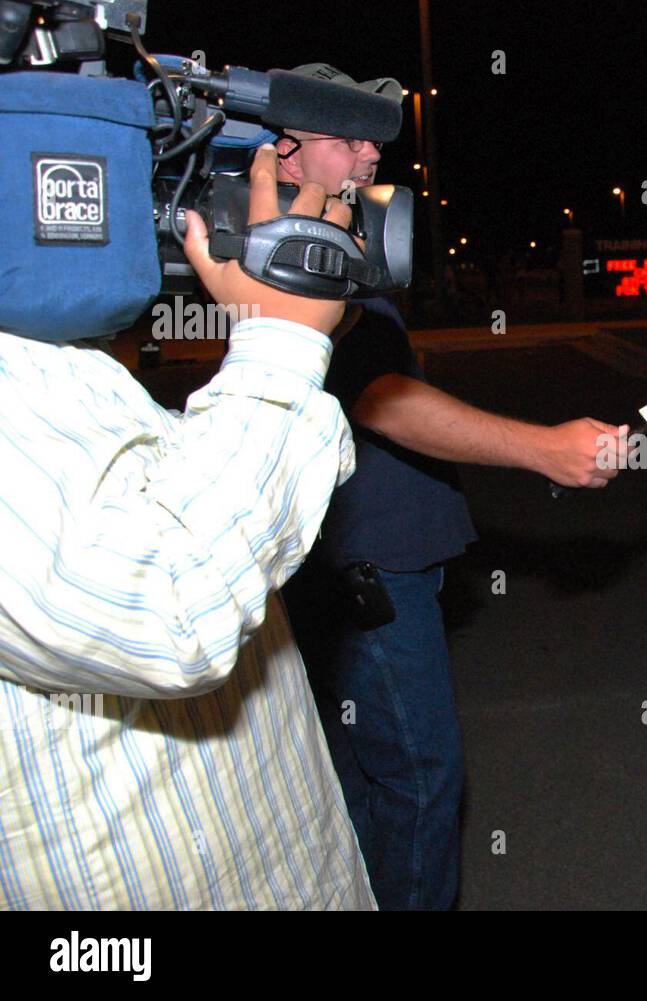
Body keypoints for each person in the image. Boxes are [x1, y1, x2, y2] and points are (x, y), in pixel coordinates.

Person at [273, 64, 625, 911]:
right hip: (370, 576)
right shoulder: (295, 262)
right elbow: (384, 402)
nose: (368, 155)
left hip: (357, 564)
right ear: (284, 153)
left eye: (372, 137)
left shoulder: (330, 244)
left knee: (361, 777)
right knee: (424, 778)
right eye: (344, 138)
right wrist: (544, 448)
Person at [0, 146, 375, 909]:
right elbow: (170, 611)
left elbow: (183, 499)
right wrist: (279, 345)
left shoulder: (51, 355)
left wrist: (288, 325)